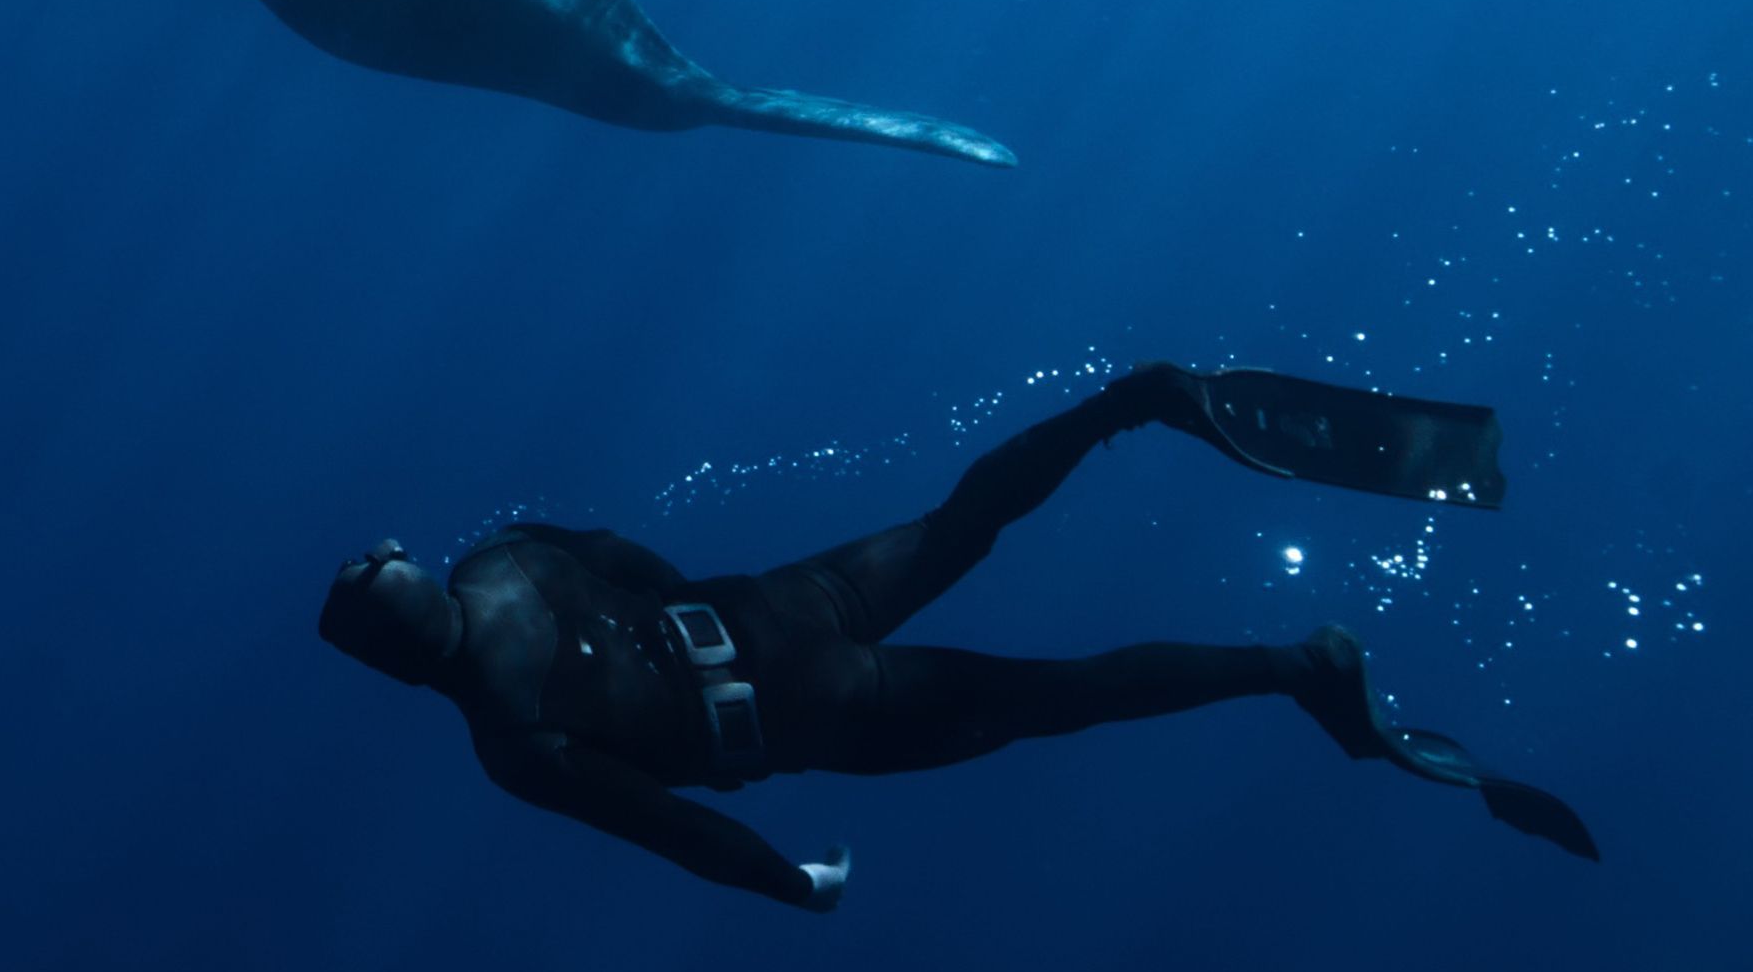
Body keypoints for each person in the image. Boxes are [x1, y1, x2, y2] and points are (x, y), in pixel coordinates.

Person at [317, 363, 1595, 911]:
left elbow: (674, 828)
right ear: (411, 572)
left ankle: (1291, 669)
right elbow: (629, 563)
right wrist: (695, 617)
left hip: (827, 712)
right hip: (779, 609)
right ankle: (1126, 406)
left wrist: (789, 883)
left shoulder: (513, 742)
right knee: (961, 520)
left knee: (1066, 694)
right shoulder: (506, 555)